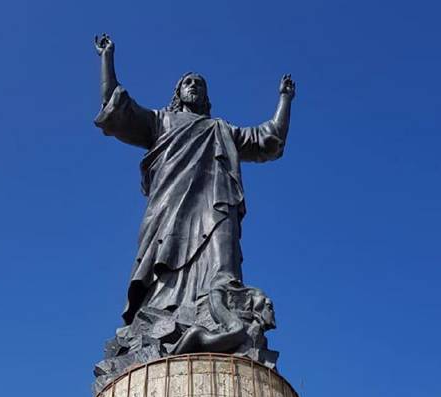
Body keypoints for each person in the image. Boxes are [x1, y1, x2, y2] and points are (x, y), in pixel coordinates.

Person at [93, 34, 295, 329]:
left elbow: (268, 139)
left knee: (222, 267)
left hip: (216, 204)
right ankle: (163, 317)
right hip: (170, 207)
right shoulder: (161, 121)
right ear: (178, 92)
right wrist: (106, 59)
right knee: (165, 262)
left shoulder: (220, 129)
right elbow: (117, 108)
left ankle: (221, 312)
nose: (194, 87)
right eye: (188, 82)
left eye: (200, 84)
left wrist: (285, 100)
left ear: (206, 96)